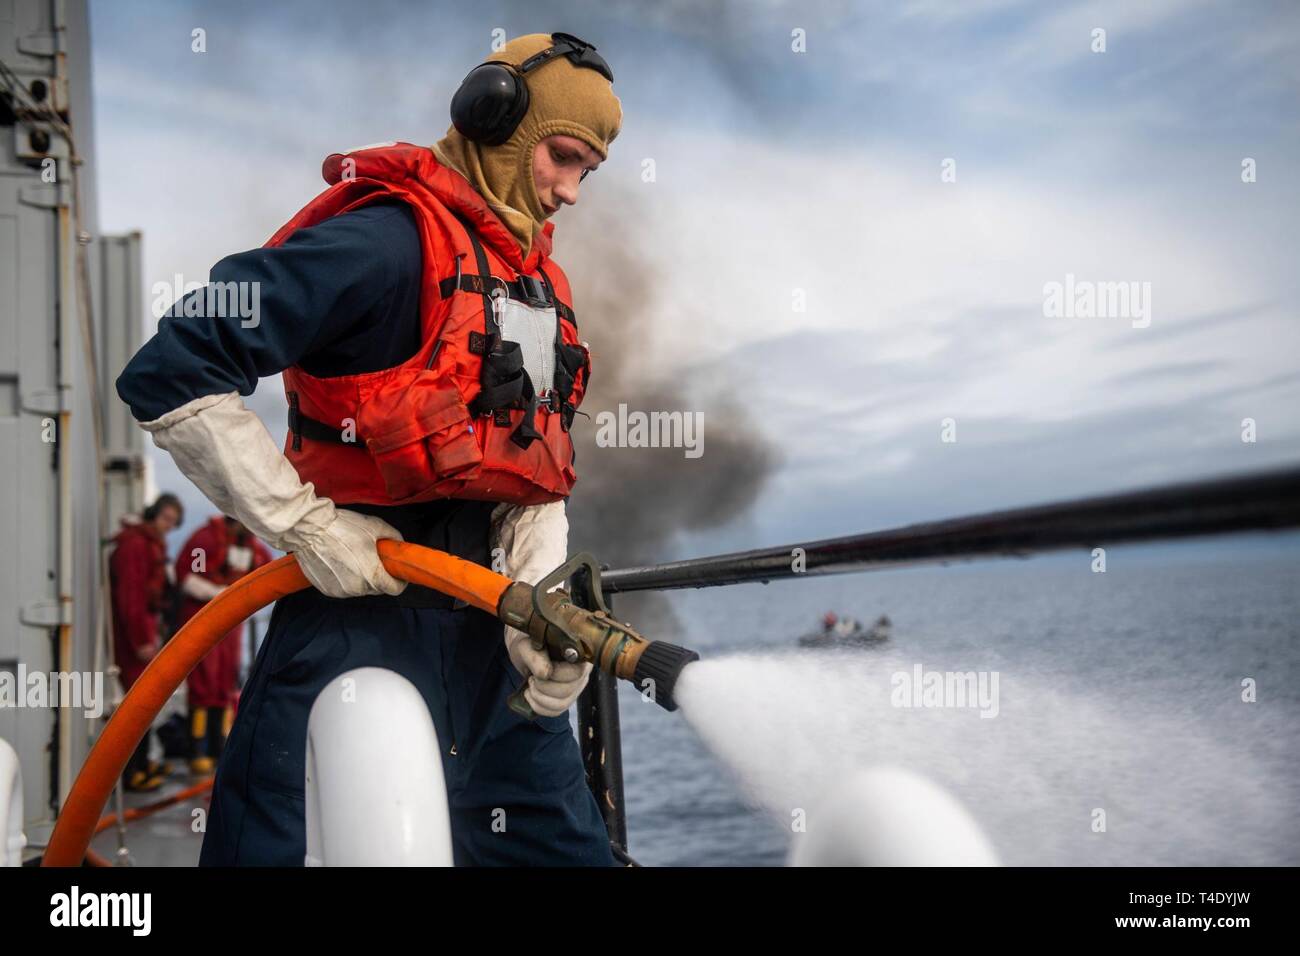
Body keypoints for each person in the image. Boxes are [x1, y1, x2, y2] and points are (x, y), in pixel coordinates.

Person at [116, 32, 621, 865]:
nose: (570, 190)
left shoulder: (537, 287)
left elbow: (534, 467)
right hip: (350, 622)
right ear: (494, 118)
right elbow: (174, 368)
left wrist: (538, 605)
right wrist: (308, 527)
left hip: (493, 647)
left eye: (588, 173)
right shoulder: (384, 244)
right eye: (562, 157)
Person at [174, 516, 272, 774]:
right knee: (203, 685)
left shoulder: (252, 546)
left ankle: (219, 748)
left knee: (224, 684)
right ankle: (196, 749)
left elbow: (268, 572)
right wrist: (221, 595)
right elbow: (185, 575)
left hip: (230, 624)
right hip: (203, 619)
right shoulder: (204, 539)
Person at [108, 493, 184, 791]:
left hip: (144, 633)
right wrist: (141, 639)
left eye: (173, 522)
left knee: (143, 703)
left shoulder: (148, 544)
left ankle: (141, 764)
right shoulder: (136, 546)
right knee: (137, 705)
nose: (168, 526)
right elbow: (131, 596)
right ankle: (132, 772)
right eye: (165, 518)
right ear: (153, 514)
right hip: (133, 639)